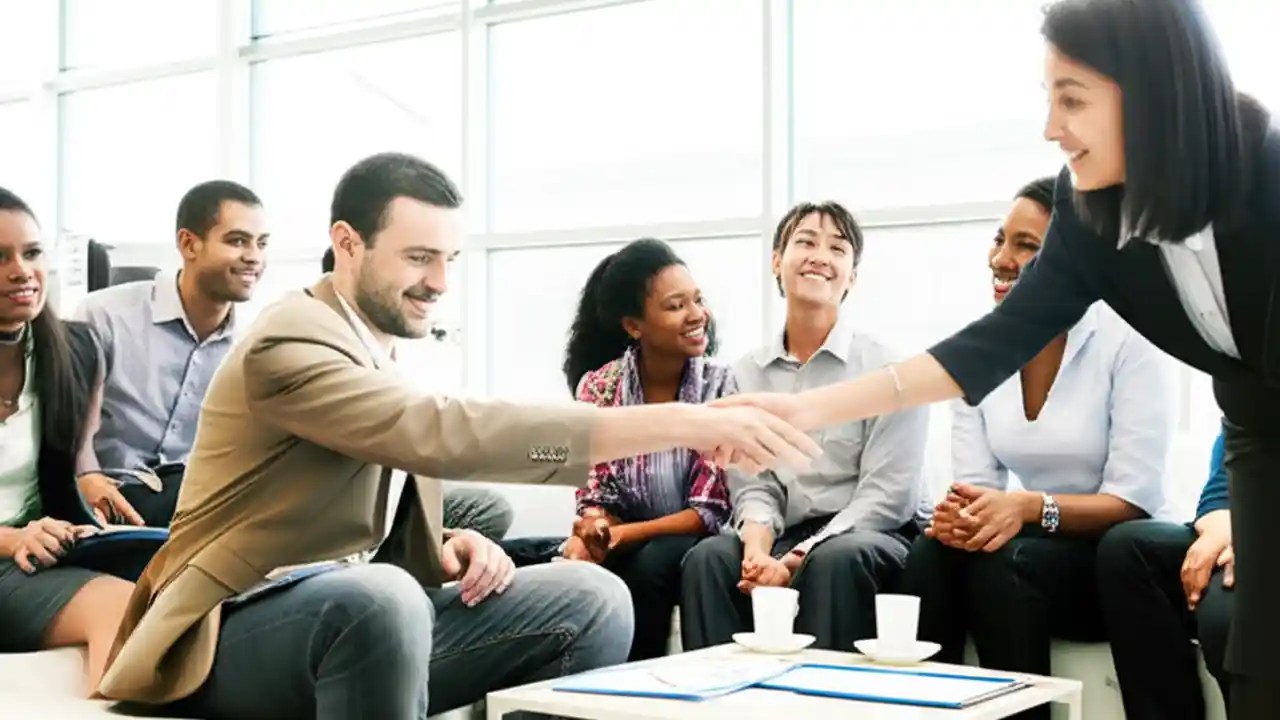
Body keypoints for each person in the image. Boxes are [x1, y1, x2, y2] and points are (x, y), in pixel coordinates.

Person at [95, 153, 820, 719]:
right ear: (347, 244)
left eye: (450, 260)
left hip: (348, 609)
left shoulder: (377, 345)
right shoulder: (288, 342)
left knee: (592, 596)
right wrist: (687, 423)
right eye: (418, 258)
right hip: (228, 629)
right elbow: (438, 434)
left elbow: (373, 483)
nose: (440, 281)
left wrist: (444, 550)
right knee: (380, 598)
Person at [716, 1, 1280, 715]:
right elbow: (981, 351)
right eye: (1048, 99)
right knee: (1258, 652)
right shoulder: (1089, 213)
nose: (1051, 128)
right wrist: (806, 406)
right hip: (1259, 436)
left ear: (1156, 90)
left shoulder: (1267, 172)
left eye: (1071, 99)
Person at [898, 178, 1174, 710]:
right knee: (930, 555)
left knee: (1008, 566)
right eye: (1000, 240)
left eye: (1026, 245)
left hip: (1118, 556)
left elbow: (1134, 499)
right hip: (1032, 541)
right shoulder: (981, 350)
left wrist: (1028, 506)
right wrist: (960, 517)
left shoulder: (1127, 339)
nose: (1002, 258)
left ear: (1070, 258)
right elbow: (976, 488)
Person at [682, 201, 929, 652]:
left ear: (852, 275)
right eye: (806, 242)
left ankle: (819, 718)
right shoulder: (747, 374)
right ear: (777, 261)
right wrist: (758, 550)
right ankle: (717, 713)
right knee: (709, 559)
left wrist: (799, 557)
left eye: (837, 248)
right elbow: (754, 487)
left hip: (871, 535)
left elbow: (887, 498)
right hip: (787, 532)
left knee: (833, 561)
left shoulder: (890, 369)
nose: (820, 255)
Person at [503, 238, 735, 661]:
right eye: (676, 305)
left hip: (690, 541)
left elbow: (709, 512)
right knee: (513, 556)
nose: (697, 315)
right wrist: (594, 529)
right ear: (634, 326)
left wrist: (621, 535)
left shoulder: (721, 387)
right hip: (625, 536)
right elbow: (595, 496)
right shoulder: (598, 387)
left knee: (649, 563)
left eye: (698, 300)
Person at [72, 181, 269, 527]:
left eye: (261, 243)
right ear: (189, 244)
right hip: (108, 496)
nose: (254, 256)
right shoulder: (103, 316)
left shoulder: (256, 342)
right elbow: (65, 426)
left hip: (196, 504)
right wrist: (85, 476)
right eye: (237, 241)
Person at [0, 187, 134, 693]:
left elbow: (76, 460)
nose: (21, 271)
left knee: (173, 591)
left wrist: (89, 488)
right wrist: (13, 539)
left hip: (39, 549)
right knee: (119, 607)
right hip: (10, 550)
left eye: (32, 253)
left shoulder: (76, 349)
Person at [321, 245, 513, 542]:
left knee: (489, 508)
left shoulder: (387, 342)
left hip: (391, 487)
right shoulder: (323, 350)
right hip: (346, 506)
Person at [1097, 425, 1233, 720]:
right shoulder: (1260, 389)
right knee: (1130, 551)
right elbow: (1225, 476)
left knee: (1228, 618)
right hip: (1245, 528)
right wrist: (1224, 523)